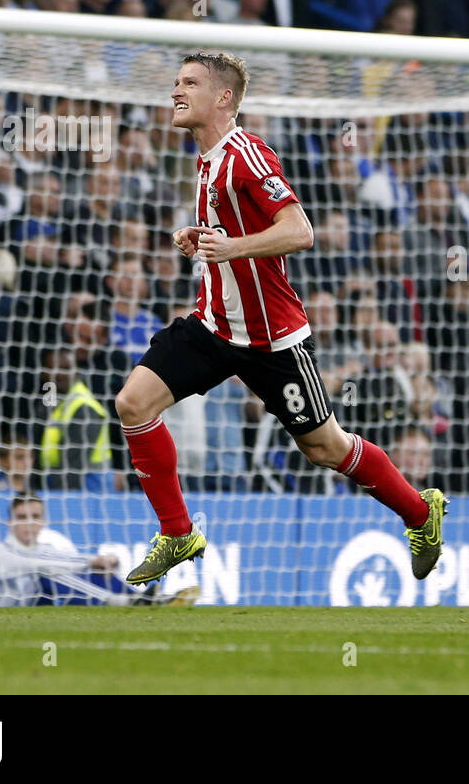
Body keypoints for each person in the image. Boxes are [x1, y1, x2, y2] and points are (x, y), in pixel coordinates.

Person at [113, 51, 446, 586]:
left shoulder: (247, 154)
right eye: (176, 82)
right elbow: (232, 238)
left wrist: (233, 248)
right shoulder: (206, 159)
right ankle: (177, 532)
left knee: (324, 446)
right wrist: (199, 239)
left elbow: (300, 231)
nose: (176, 91)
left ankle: (419, 512)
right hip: (213, 325)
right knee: (133, 402)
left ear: (224, 98)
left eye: (190, 83)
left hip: (273, 338)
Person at [0, 496, 198, 606]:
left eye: (35, 516)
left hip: (39, 607)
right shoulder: (0, 552)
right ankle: (120, 602)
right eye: (22, 517)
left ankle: (142, 599)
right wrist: (92, 560)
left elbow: (62, 560)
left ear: (44, 521)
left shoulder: (45, 548)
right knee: (50, 572)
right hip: (11, 610)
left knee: (94, 571)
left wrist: (96, 563)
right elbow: (39, 564)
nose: (29, 523)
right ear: (8, 522)